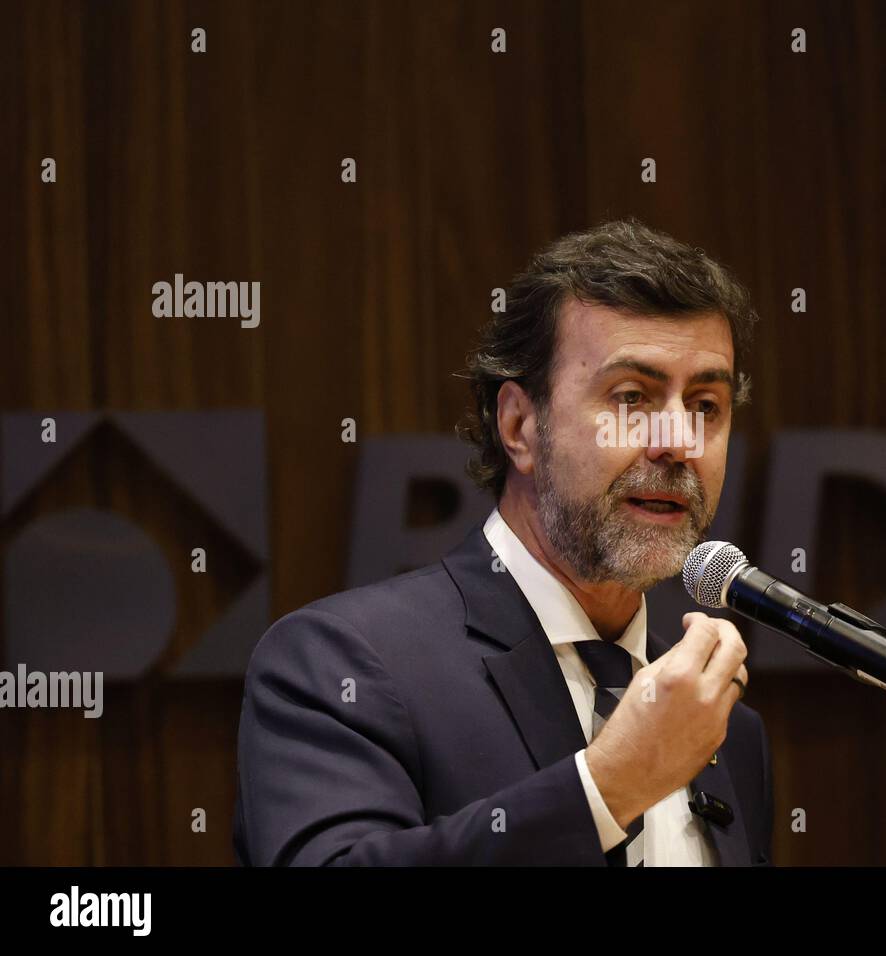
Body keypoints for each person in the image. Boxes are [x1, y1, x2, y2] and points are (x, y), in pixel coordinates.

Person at [233, 217, 772, 865]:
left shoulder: (726, 730)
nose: (680, 442)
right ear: (519, 424)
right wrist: (609, 787)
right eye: (632, 397)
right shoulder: (345, 664)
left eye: (706, 407)